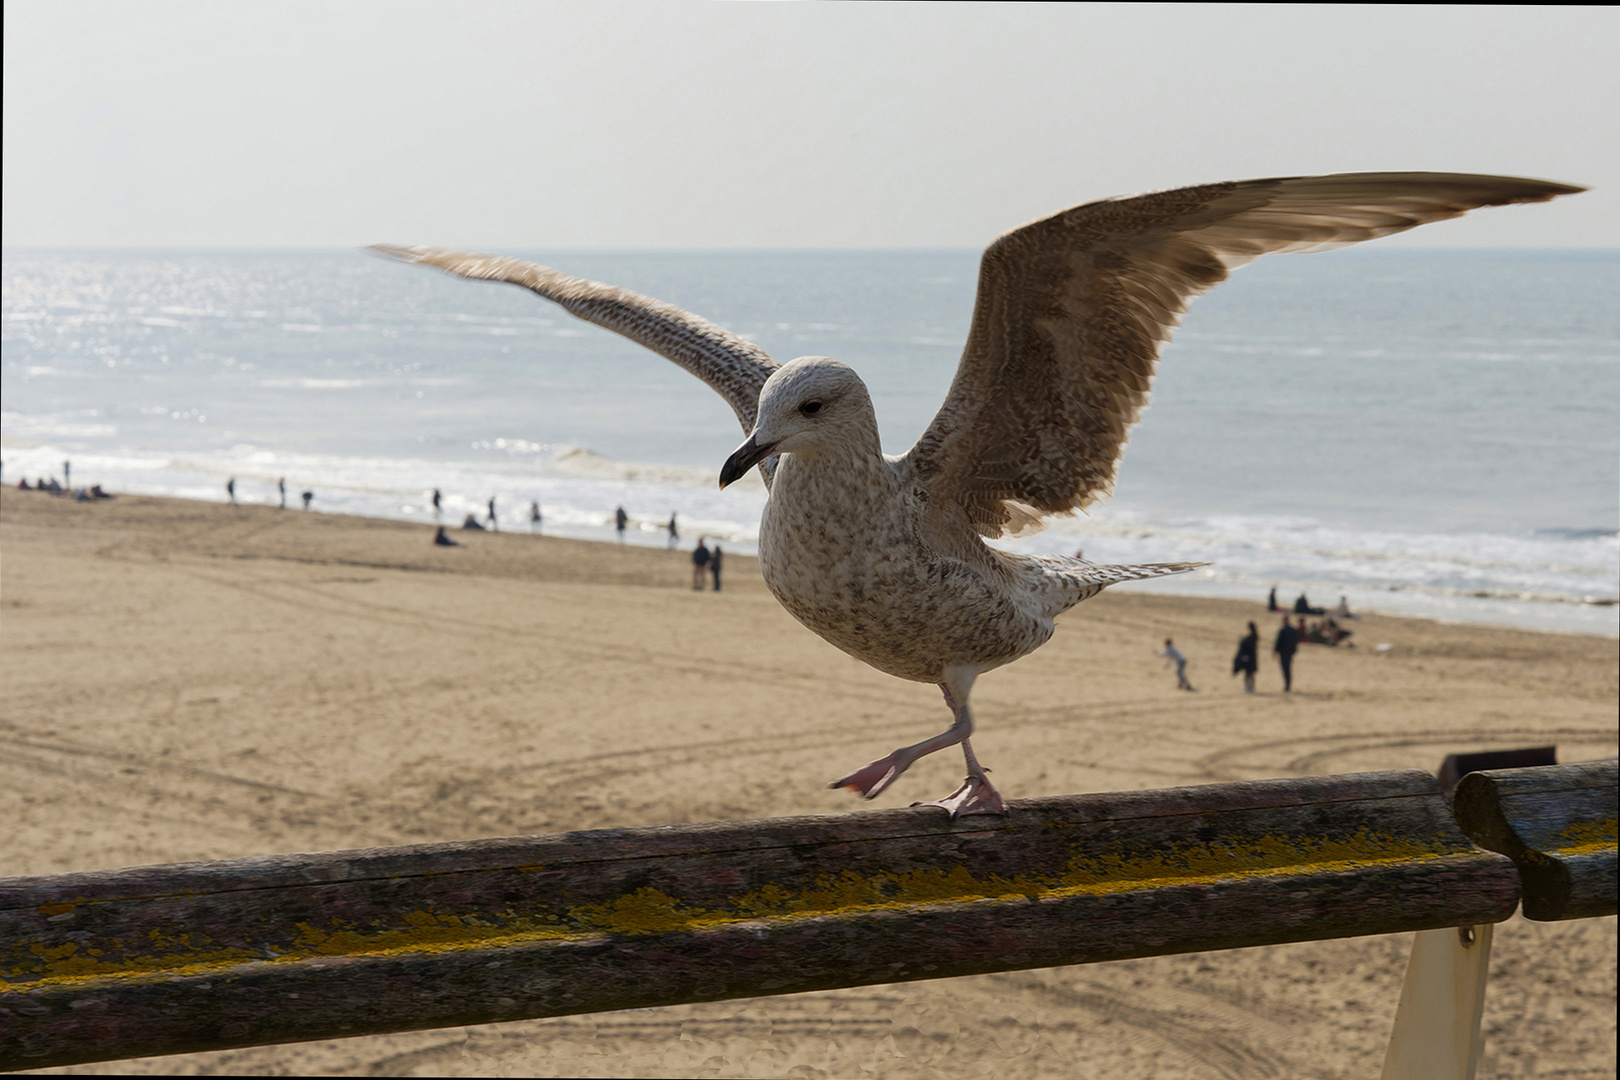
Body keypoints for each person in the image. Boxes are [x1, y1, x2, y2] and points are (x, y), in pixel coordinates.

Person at [1274, 615, 1300, 692]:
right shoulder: (1293, 630)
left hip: (1283, 652)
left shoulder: (1283, 629)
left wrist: (1275, 651)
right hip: (1290, 652)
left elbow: (1278, 641)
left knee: (1285, 668)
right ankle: (1288, 684)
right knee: (1288, 668)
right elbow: (1296, 641)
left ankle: (1287, 685)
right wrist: (1294, 650)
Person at [1232, 622, 1259, 693]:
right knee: (1250, 674)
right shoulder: (1254, 637)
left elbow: (1245, 645)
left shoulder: (1251, 638)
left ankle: (1248, 687)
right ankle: (1251, 687)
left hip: (1248, 659)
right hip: (1252, 658)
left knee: (1248, 674)